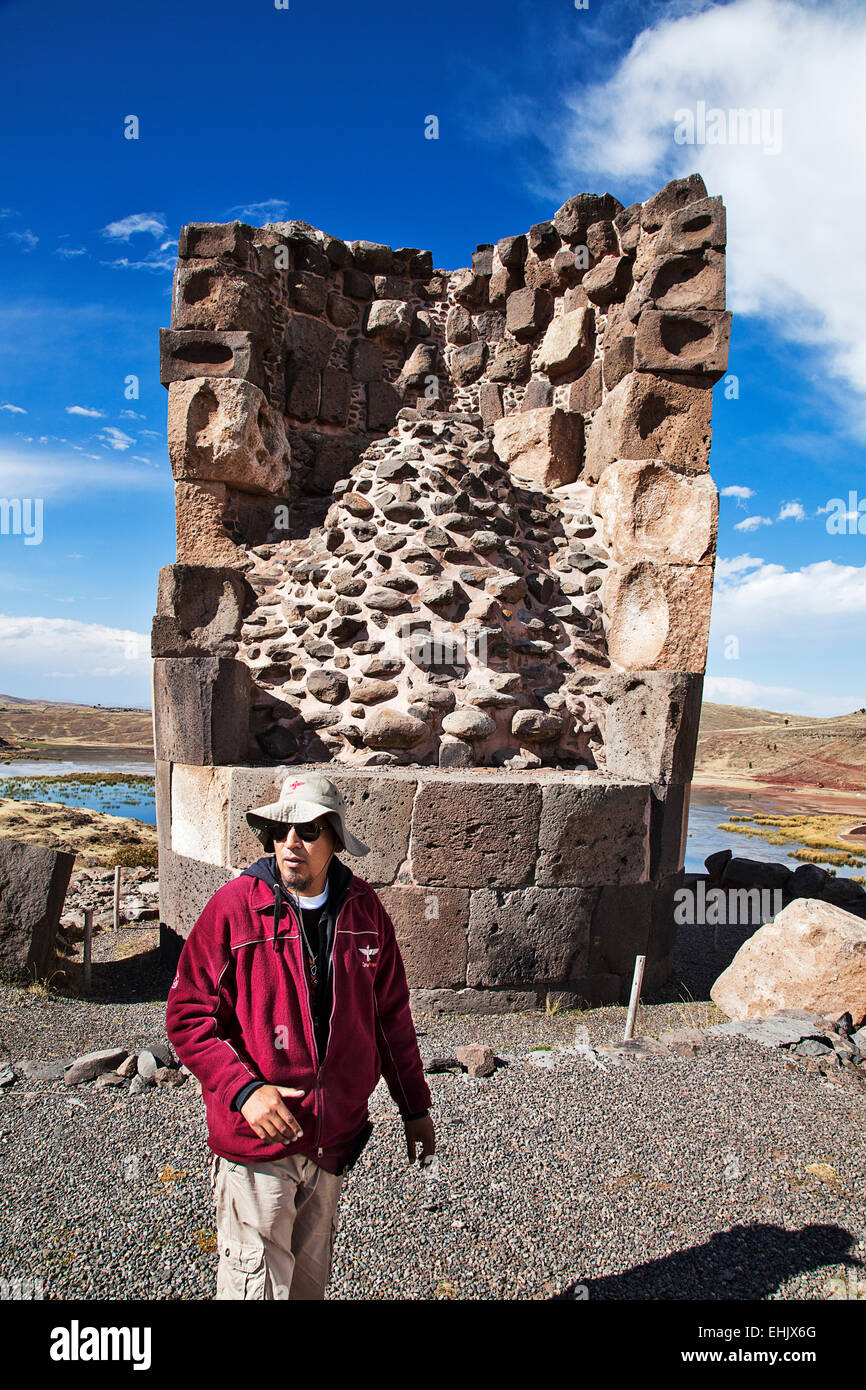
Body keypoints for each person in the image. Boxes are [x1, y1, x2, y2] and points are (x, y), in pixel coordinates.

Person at [166, 772, 435, 1300]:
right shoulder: (234, 908)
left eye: (310, 830)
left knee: (309, 1288)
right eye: (281, 829)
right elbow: (188, 1014)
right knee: (257, 1290)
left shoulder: (365, 912)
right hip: (257, 1142)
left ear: (335, 841)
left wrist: (414, 1108)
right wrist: (245, 1092)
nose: (292, 843)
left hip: (332, 1140)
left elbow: (391, 1021)